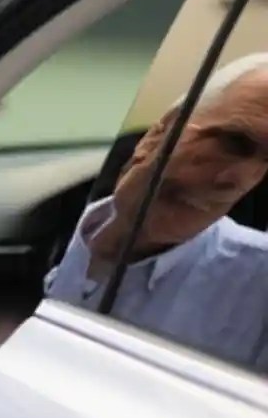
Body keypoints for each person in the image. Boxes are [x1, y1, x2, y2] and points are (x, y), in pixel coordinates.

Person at [46, 53, 268, 370]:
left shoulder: (257, 288)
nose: (239, 181)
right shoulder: (44, 222)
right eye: (234, 142)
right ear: (158, 133)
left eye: (266, 164)